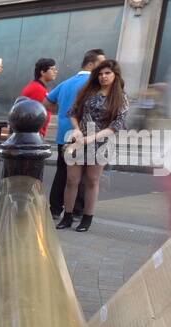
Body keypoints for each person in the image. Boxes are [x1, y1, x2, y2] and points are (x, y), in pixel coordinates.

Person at [60, 59, 128, 233]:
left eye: (107, 73)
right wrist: (76, 129)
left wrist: (93, 138)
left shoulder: (121, 97)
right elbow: (73, 112)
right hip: (79, 140)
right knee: (71, 180)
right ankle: (67, 216)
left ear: (115, 75)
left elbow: (116, 126)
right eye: (100, 74)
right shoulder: (88, 91)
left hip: (102, 142)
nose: (103, 77)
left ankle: (87, 218)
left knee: (92, 180)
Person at [46, 49, 106, 223]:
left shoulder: (66, 83)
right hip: (85, 135)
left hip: (64, 134)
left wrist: (61, 113)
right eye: (101, 63)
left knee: (62, 173)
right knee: (82, 177)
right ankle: (77, 210)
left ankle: (55, 208)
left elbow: (47, 102)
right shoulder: (94, 84)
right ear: (91, 64)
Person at [20, 58, 58, 137]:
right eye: (52, 69)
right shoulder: (37, 89)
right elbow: (36, 114)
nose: (56, 71)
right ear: (42, 72)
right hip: (34, 134)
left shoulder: (39, 87)